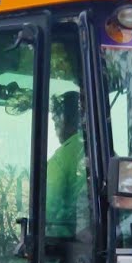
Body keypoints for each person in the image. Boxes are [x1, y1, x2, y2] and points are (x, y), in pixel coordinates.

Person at [45, 90, 87, 238]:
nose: (56, 131)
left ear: (64, 120)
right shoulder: (104, 151)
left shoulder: (60, 159)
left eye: (56, 123)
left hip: (70, 242)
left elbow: (49, 211)